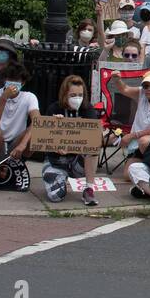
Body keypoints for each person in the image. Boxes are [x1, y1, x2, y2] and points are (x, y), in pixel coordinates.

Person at [44, 74, 104, 206]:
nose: (77, 99)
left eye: (80, 95)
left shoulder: (88, 109)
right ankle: (60, 179)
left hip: (77, 162)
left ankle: (88, 188)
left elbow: (95, 137)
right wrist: (56, 126)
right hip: (56, 161)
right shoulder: (53, 109)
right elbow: (45, 139)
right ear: (64, 94)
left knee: (94, 145)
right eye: (73, 95)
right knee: (55, 197)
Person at [0, 62, 40, 165]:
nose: (12, 84)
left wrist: (23, 144)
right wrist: (3, 98)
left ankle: (19, 163)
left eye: (16, 80)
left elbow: (38, 121)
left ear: (23, 83)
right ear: (4, 80)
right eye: (10, 80)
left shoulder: (29, 97)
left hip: (16, 142)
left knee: (35, 133)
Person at [109, 68, 150, 159]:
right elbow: (124, 89)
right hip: (136, 141)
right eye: (145, 86)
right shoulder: (141, 92)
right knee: (127, 173)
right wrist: (117, 79)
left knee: (143, 141)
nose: (148, 89)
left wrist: (132, 135)